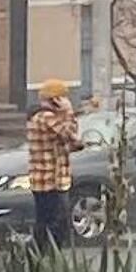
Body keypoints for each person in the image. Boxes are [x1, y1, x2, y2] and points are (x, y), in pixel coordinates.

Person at [27, 79, 83, 247]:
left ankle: (40, 255)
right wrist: (69, 111)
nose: (66, 101)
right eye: (64, 97)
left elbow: (68, 145)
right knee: (56, 224)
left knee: (46, 222)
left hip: (48, 180)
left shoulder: (39, 117)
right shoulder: (46, 117)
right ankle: (45, 256)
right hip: (49, 181)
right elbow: (70, 135)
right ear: (55, 99)